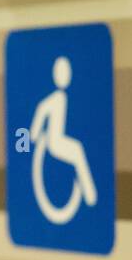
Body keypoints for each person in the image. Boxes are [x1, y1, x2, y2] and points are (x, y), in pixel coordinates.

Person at [30, 56, 97, 207]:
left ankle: (90, 194)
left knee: (78, 149)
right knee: (77, 150)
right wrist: (32, 138)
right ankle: (90, 195)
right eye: (62, 72)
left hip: (56, 140)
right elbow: (40, 112)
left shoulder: (63, 97)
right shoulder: (55, 99)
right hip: (55, 141)